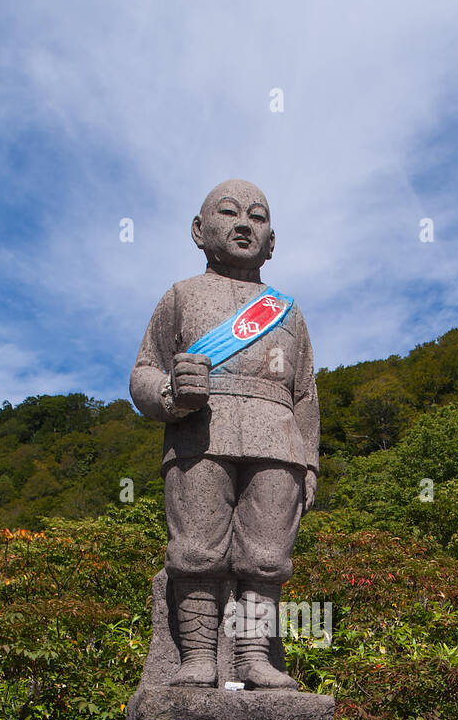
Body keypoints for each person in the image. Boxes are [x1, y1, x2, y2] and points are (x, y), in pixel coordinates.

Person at [129, 179, 319, 690]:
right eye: (229, 213)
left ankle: (255, 658)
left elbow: (306, 397)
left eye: (257, 217)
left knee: (266, 557)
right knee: (196, 549)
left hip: (277, 443)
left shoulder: (288, 312)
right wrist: (171, 392)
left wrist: (310, 465)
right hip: (198, 437)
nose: (243, 224)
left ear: (272, 241)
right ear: (198, 230)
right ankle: (196, 657)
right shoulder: (180, 297)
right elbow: (143, 373)